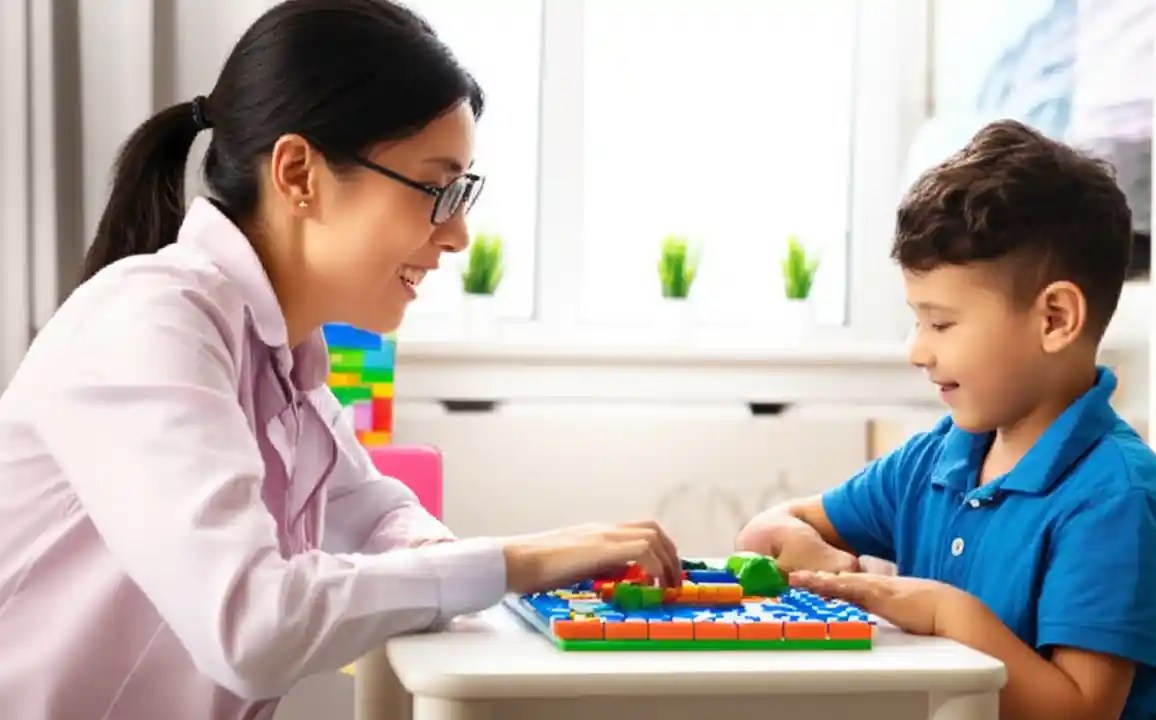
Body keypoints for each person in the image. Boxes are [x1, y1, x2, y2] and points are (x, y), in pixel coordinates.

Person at [0, 1, 681, 718]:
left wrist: (473, 560)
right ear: (298, 173)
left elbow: (379, 512)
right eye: (437, 190)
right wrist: (518, 561)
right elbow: (253, 626)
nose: (458, 236)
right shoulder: (152, 318)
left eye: (464, 192)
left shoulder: (286, 358)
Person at [736, 120, 1156, 720]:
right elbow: (770, 530)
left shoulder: (1119, 500)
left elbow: (1078, 712)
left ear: (1055, 318)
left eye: (941, 323)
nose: (916, 350)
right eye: (916, 319)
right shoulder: (935, 460)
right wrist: (816, 555)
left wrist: (944, 612)